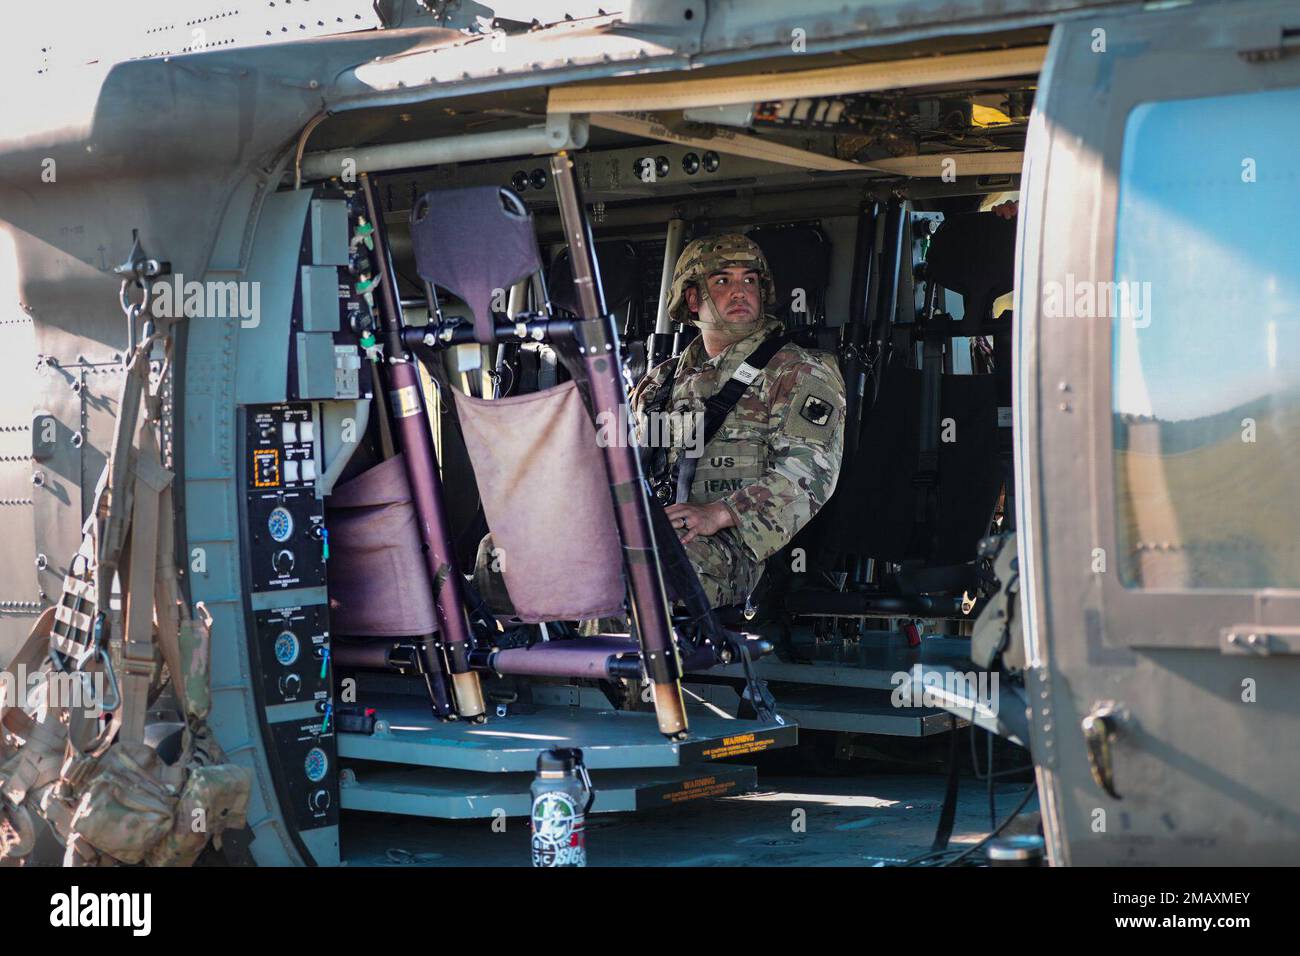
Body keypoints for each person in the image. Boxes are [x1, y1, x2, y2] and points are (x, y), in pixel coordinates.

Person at [633, 233, 846, 608]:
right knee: (502, 556)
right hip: (655, 533)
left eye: (749, 280)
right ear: (693, 298)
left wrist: (719, 513)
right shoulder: (660, 383)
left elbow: (808, 474)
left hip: (739, 552)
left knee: (641, 576)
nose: (740, 291)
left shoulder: (796, 372)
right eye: (722, 281)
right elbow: (624, 467)